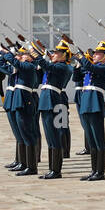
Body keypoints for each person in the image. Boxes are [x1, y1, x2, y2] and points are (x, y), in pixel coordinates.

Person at [0, 42, 41, 177]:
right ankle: (24, 163)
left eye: (23, 54)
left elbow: (12, 61)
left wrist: (2, 51)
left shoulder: (28, 66)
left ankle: (31, 166)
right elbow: (4, 64)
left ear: (30, 57)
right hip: (19, 100)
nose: (20, 56)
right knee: (21, 134)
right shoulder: (22, 66)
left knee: (27, 134)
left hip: (25, 101)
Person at [73, 40, 105, 181]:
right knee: (91, 140)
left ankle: (100, 172)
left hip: (95, 103)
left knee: (98, 140)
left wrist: (82, 58)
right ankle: (93, 170)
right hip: (86, 103)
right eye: (95, 53)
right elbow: (76, 77)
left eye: (98, 54)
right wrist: (78, 65)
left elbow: (91, 67)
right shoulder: (91, 67)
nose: (95, 55)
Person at [37, 39, 74, 179]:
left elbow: (47, 65)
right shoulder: (54, 66)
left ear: (64, 55)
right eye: (54, 53)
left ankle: (57, 170)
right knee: (50, 137)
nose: (54, 54)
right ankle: (52, 168)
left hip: (54, 101)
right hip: (46, 101)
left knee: (57, 135)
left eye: (57, 53)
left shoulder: (63, 67)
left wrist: (38, 55)